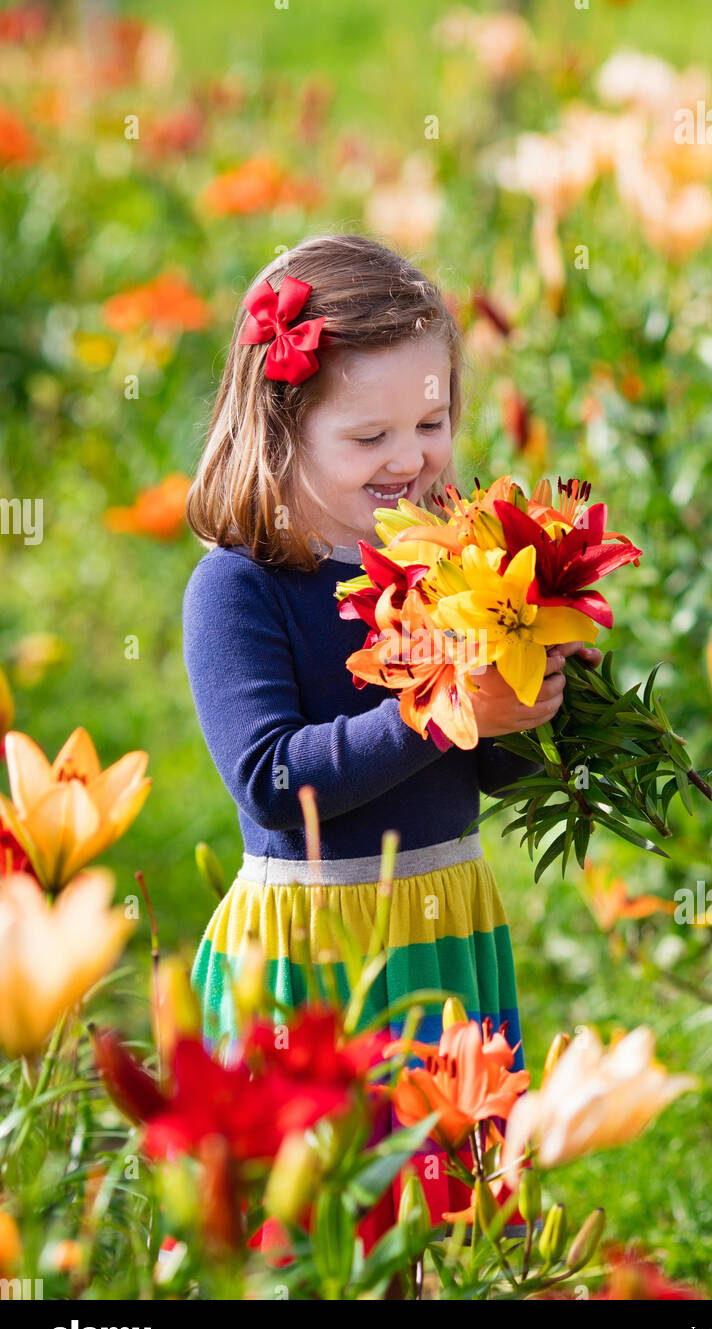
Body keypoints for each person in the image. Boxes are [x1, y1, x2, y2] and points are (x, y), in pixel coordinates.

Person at [182, 232, 599, 1233]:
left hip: (443, 925)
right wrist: (444, 703)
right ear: (282, 431)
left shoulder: (447, 565)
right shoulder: (239, 586)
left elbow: (481, 769)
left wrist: (543, 689)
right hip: (315, 945)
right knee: (319, 1219)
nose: (410, 458)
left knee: (441, 1206)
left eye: (431, 419)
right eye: (368, 439)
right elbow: (276, 782)